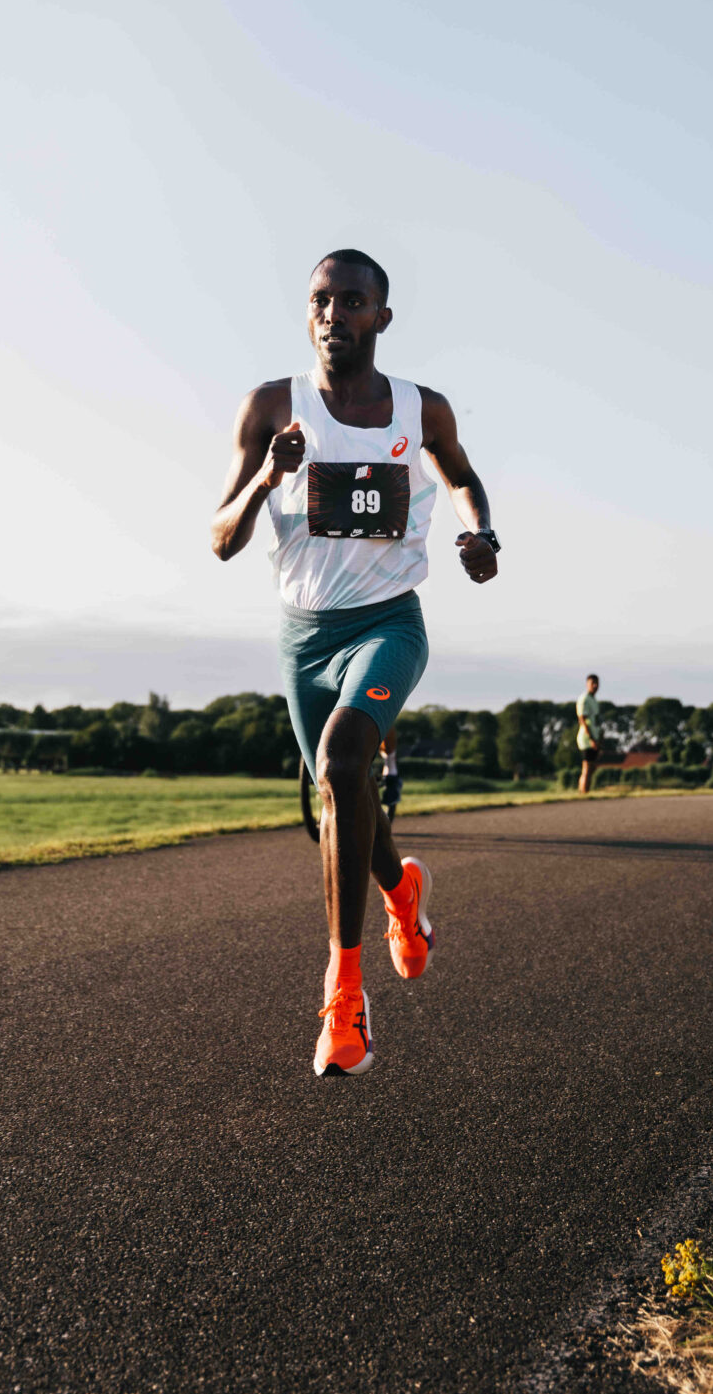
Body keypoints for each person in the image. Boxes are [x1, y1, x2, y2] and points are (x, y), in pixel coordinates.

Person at [211, 249, 500, 1076]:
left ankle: (345, 998)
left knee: (343, 759)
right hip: (304, 636)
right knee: (342, 796)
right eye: (319, 300)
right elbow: (221, 538)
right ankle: (402, 893)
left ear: (381, 317)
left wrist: (480, 533)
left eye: (351, 301)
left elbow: (464, 481)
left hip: (388, 624)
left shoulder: (423, 409)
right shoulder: (273, 406)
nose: (332, 313)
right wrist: (268, 477)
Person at [576, 673, 605, 793]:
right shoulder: (584, 699)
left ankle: (584, 791)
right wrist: (591, 738)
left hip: (595, 736)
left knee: (593, 767)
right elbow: (582, 719)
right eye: (592, 683)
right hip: (587, 738)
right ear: (587, 684)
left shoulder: (594, 700)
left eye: (597, 683)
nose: (595, 685)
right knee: (587, 768)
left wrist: (599, 737)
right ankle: (583, 793)